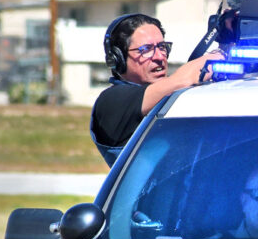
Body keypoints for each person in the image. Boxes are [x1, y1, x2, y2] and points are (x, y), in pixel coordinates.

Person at [90, 13, 222, 165]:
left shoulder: (167, 94)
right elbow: (183, 80)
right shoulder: (112, 101)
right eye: (145, 49)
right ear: (117, 58)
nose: (159, 56)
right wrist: (224, 53)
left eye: (162, 47)